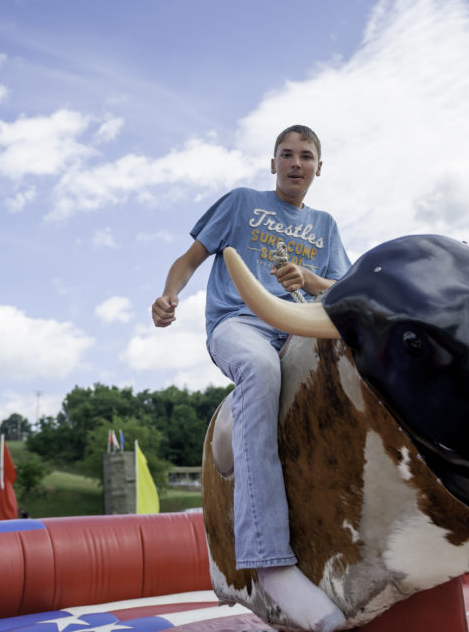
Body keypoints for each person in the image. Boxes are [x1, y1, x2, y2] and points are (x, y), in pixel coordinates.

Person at [152, 125, 351, 632]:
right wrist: (169, 295)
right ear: (273, 163)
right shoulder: (242, 203)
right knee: (261, 371)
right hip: (240, 324)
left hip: (301, 326)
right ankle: (269, 562)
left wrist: (309, 280)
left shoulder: (326, 225)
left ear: (319, 168)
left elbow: (342, 290)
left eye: (306, 156)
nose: (296, 163)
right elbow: (189, 259)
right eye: (287, 154)